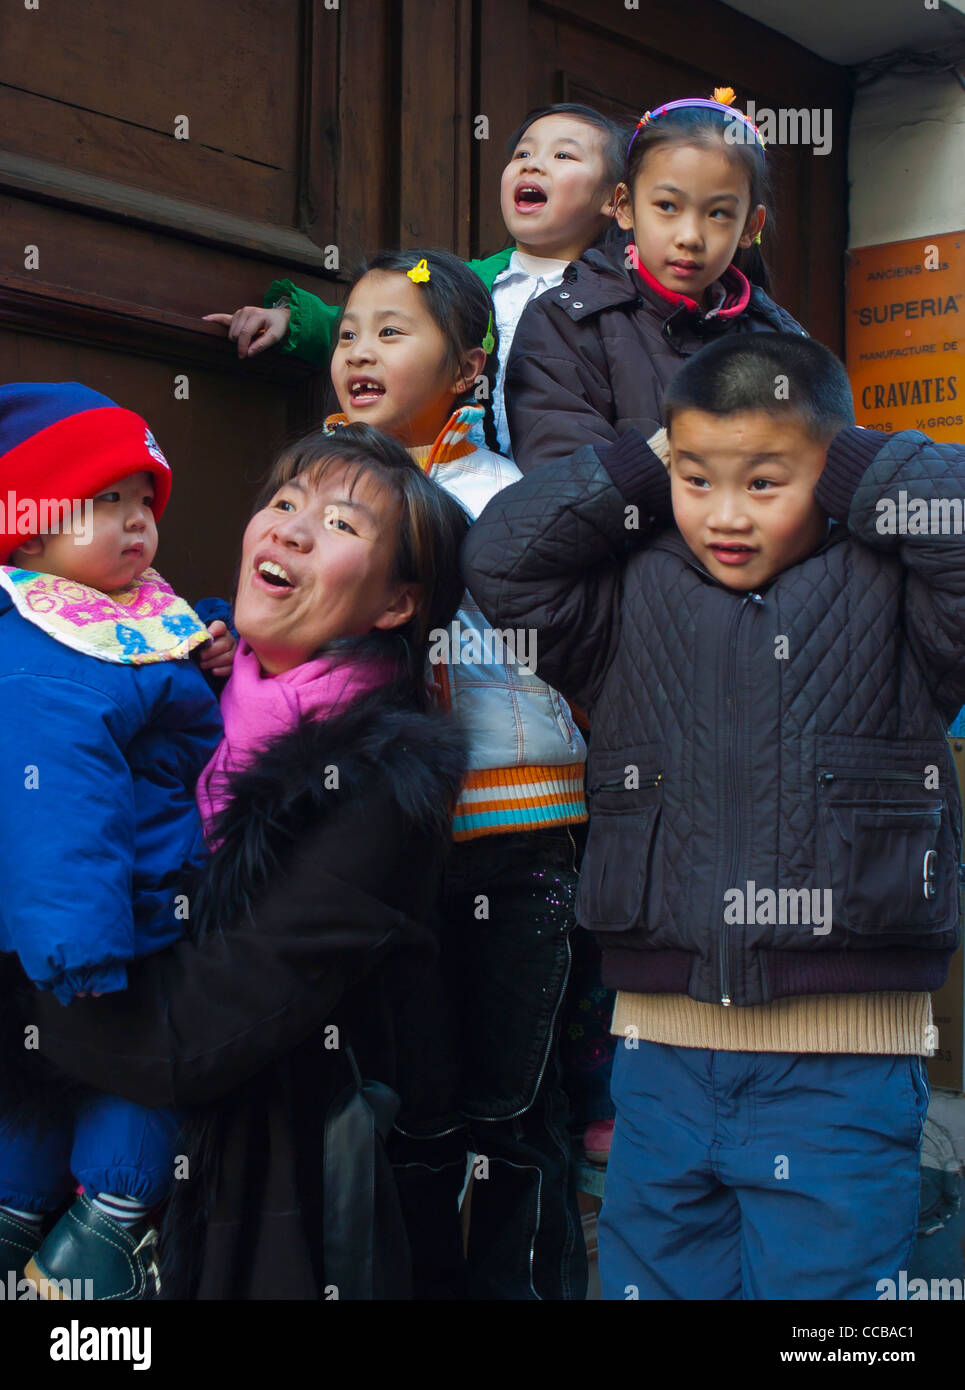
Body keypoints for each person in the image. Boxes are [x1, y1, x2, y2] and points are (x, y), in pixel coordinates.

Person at [462, 331, 965, 1299]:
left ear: (826, 475)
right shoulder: (624, 593)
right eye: (697, 479)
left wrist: (850, 454)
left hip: (841, 1070)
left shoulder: (900, 590)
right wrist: (647, 461)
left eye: (763, 482)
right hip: (660, 1059)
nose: (722, 516)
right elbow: (501, 553)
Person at [19, 421, 470, 1299]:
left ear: (396, 605)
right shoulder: (175, 683)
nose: (291, 529)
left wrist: (30, 982)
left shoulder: (378, 781)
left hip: (250, 1204)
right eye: (285, 502)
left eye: (342, 526)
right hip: (75, 1144)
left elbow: (198, 1035)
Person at [327, 247, 589, 1299]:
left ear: (469, 366)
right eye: (348, 330)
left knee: (508, 1107)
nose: (359, 350)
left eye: (393, 331)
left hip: (508, 833)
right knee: (411, 1103)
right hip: (380, 843)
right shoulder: (320, 493)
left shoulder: (501, 496)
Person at [0, 382, 232, 1298]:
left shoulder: (112, 613)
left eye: (145, 502)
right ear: (26, 524)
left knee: (44, 1084)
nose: (137, 524)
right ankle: (107, 1239)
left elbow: (153, 677)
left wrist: (202, 637)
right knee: (141, 1076)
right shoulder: (49, 655)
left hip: (109, 918)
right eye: (104, 503)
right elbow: (56, 802)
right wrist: (84, 952)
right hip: (113, 928)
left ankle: (20, 1220)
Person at [204, 103, 627, 456]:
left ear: (615, 200)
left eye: (563, 156)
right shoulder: (470, 282)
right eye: (522, 154)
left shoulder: (618, 296)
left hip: (558, 484)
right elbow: (375, 326)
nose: (532, 163)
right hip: (458, 467)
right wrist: (294, 322)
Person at [505, 86, 805, 474]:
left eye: (718, 214)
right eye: (667, 206)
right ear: (626, 207)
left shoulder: (782, 340)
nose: (690, 236)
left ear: (750, 226)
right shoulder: (564, 322)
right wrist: (676, 452)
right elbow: (561, 489)